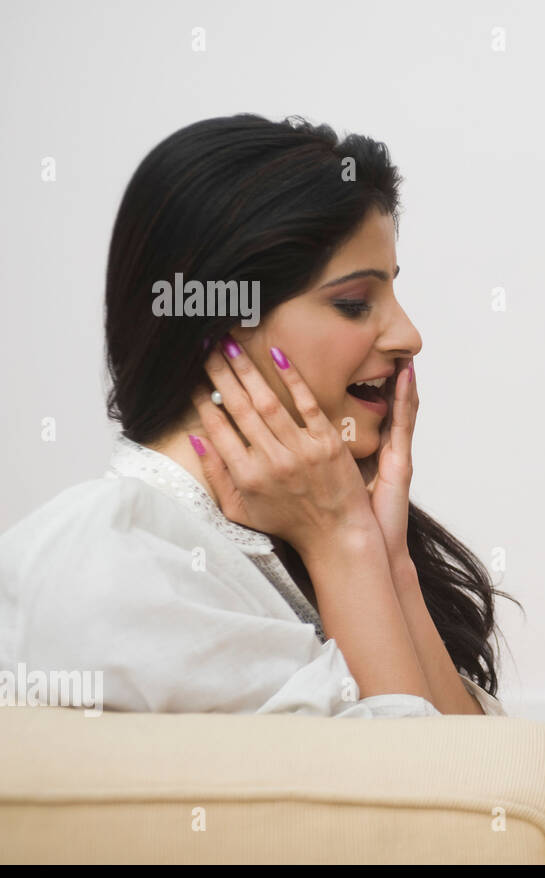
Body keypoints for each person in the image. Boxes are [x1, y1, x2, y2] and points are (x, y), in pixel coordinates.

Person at [0, 115, 512, 718]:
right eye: (353, 303)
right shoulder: (110, 562)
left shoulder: (303, 527)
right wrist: (343, 543)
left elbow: (487, 778)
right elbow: (420, 800)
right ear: (216, 324)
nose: (409, 335)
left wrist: (386, 558)